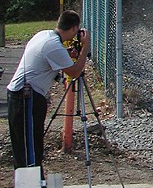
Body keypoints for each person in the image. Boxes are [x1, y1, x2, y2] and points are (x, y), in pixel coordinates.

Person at [6, 10, 90, 175]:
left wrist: (68, 54)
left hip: (21, 95)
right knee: (29, 147)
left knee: (29, 145)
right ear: (74, 28)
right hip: (26, 97)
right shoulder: (53, 46)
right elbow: (74, 72)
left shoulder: (44, 35)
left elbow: (46, 57)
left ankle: (33, 185)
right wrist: (85, 48)